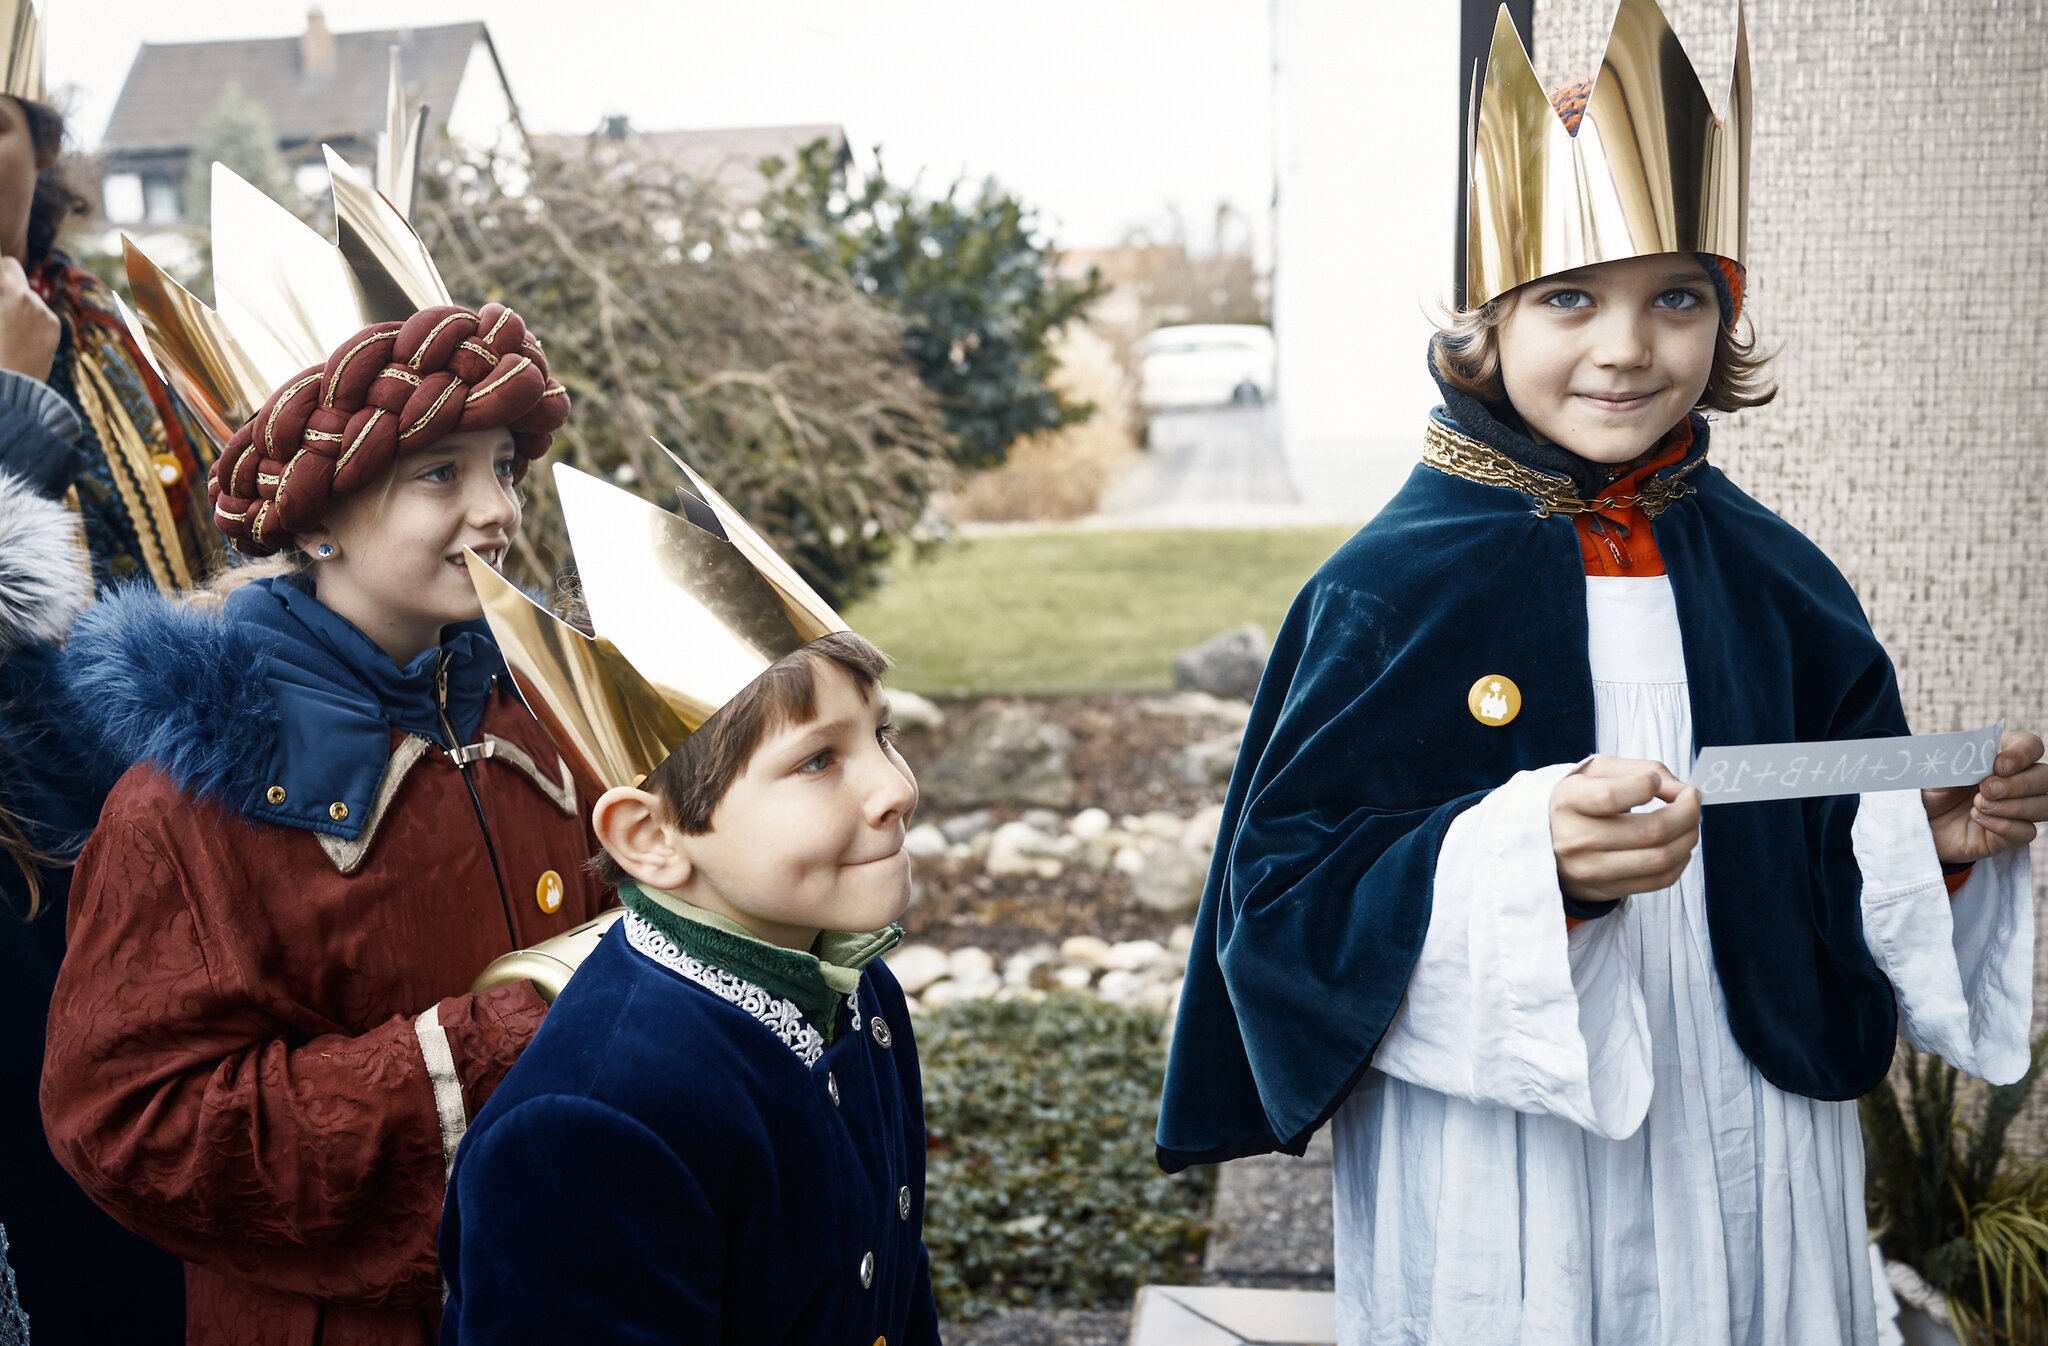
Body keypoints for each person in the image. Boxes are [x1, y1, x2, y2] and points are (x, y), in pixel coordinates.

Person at [1155, 3, 2043, 1343]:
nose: (1627, 347)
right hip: (1510, 1150)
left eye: (1674, 298)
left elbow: (1816, 839)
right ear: (1489, 319)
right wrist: (1528, 870)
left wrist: (1930, 839)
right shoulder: (1384, 593)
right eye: (1571, 297)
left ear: (1722, 315)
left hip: (1748, 1120)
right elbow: (1284, 907)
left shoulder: (1778, 578)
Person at [39, 153, 611, 1346]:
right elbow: (134, 1123)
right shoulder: (185, 804)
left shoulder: (555, 719)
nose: (500, 510)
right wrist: (484, 1049)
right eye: (438, 475)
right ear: (318, 519)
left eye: (502, 466)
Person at [438, 464, 940, 1344]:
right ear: (651, 839)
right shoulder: (590, 1129)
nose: (895, 787)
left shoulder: (858, 995)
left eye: (881, 733)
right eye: (818, 760)